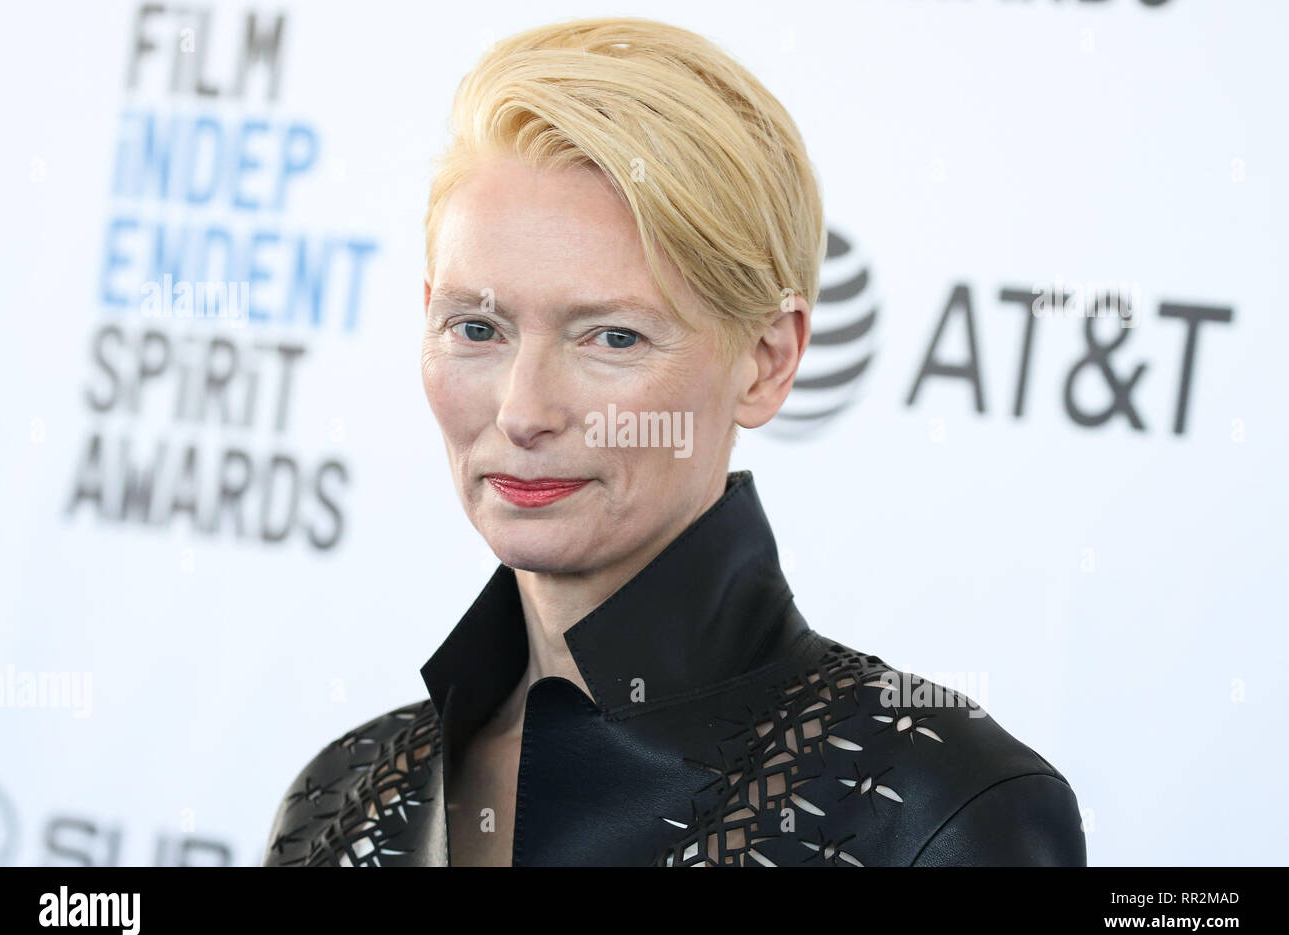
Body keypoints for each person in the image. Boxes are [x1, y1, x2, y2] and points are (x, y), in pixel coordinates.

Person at [263, 15, 1086, 867]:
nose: (523, 411)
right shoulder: (342, 798)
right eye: (477, 328)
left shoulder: (940, 811)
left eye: (612, 337)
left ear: (767, 361)